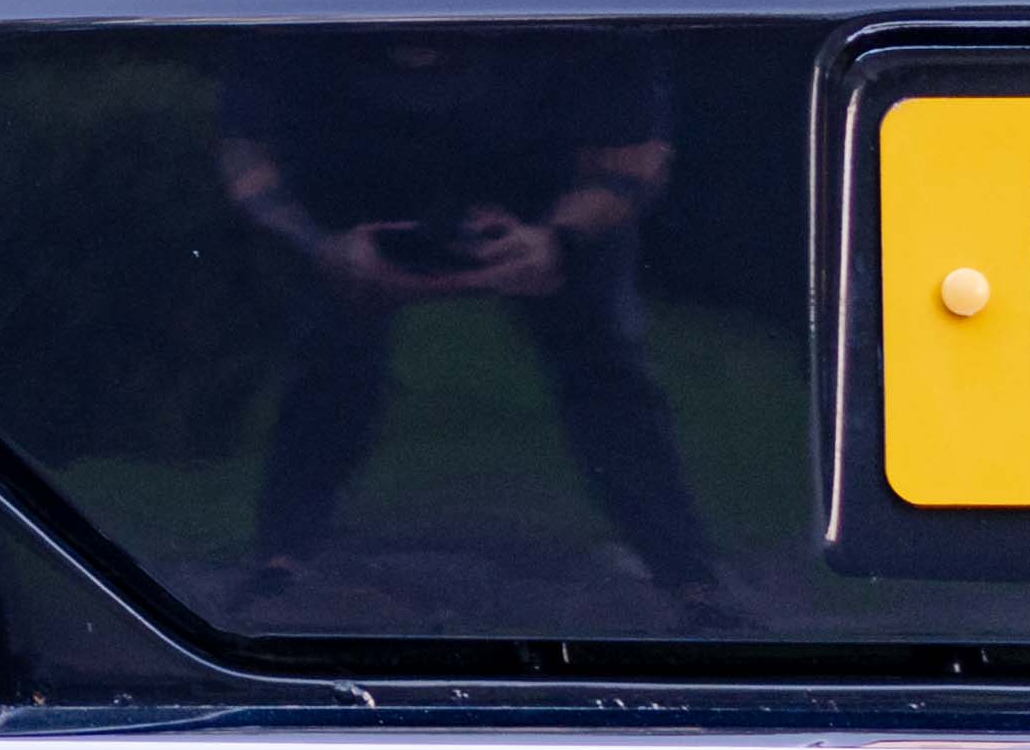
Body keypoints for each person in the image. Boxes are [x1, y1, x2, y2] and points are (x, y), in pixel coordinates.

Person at [210, 31, 740, 625]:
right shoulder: (304, 22)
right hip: (353, 191)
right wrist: (318, 247)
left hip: (549, 187)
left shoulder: (579, 16)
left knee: (607, 368)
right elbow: (247, 152)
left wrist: (556, 240)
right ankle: (278, 568)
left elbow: (633, 156)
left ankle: (691, 581)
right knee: (328, 365)